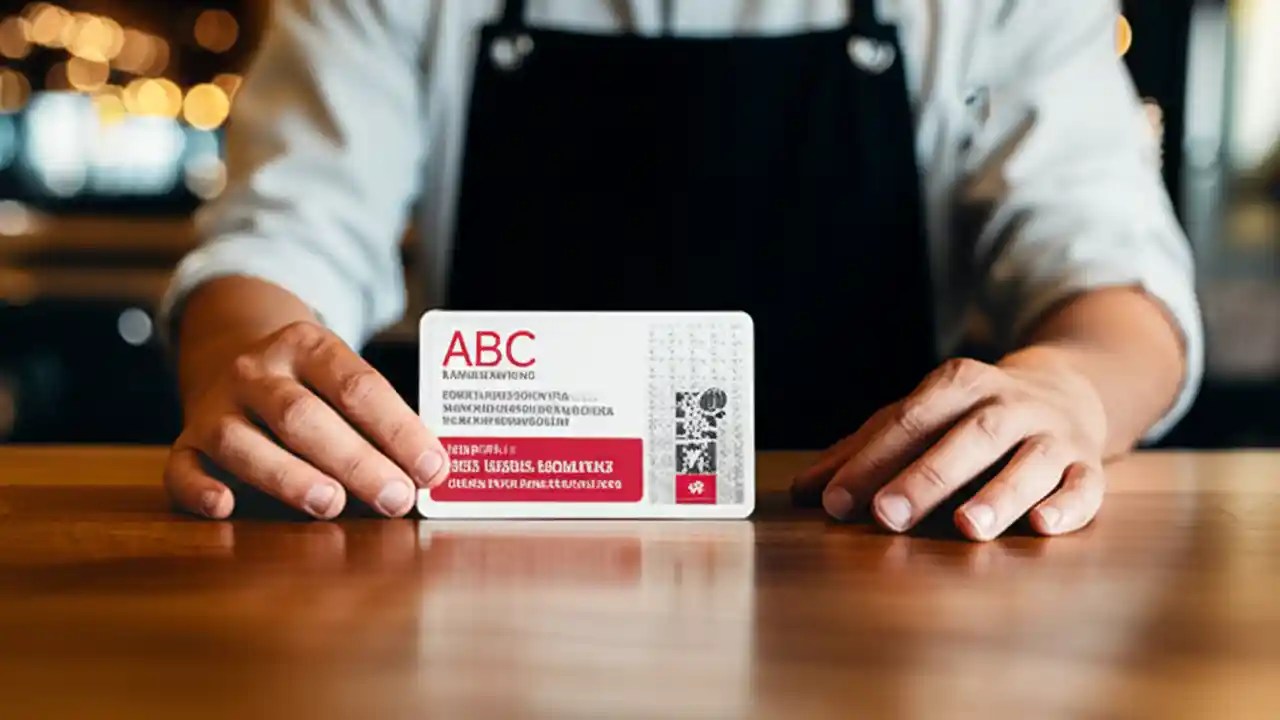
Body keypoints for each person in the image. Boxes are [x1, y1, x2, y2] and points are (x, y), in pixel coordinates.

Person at [161, 0, 1201, 541]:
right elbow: (280, 242)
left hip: (881, 558)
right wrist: (247, 360)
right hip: (491, 579)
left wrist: (1069, 387)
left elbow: (1112, 279)